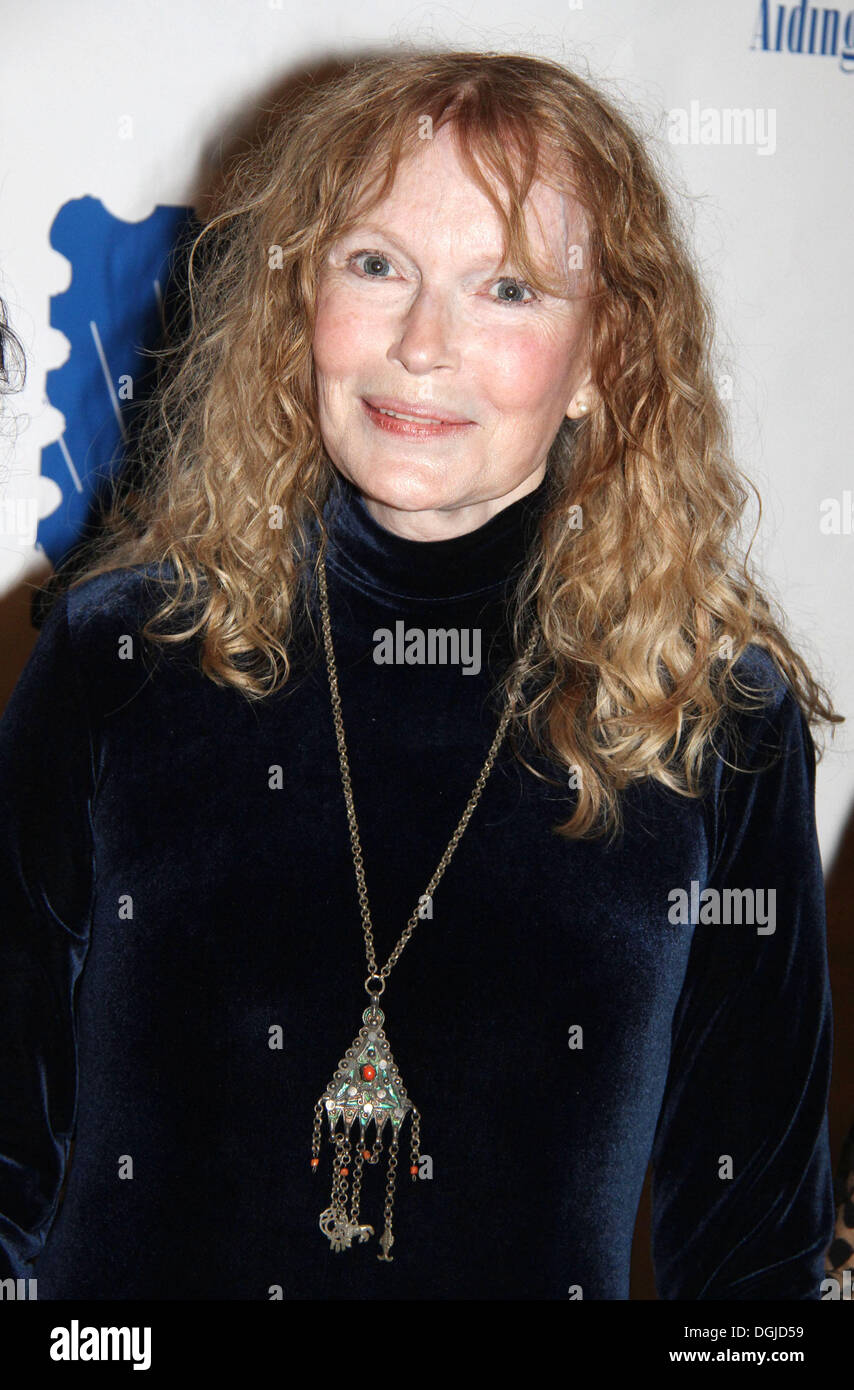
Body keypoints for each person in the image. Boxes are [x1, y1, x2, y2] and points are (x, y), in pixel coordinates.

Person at [0, 50, 843, 1300]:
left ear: (603, 354)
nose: (423, 345)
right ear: (300, 301)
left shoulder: (712, 726)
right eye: (376, 264)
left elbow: (753, 1266)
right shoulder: (114, 657)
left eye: (506, 287)